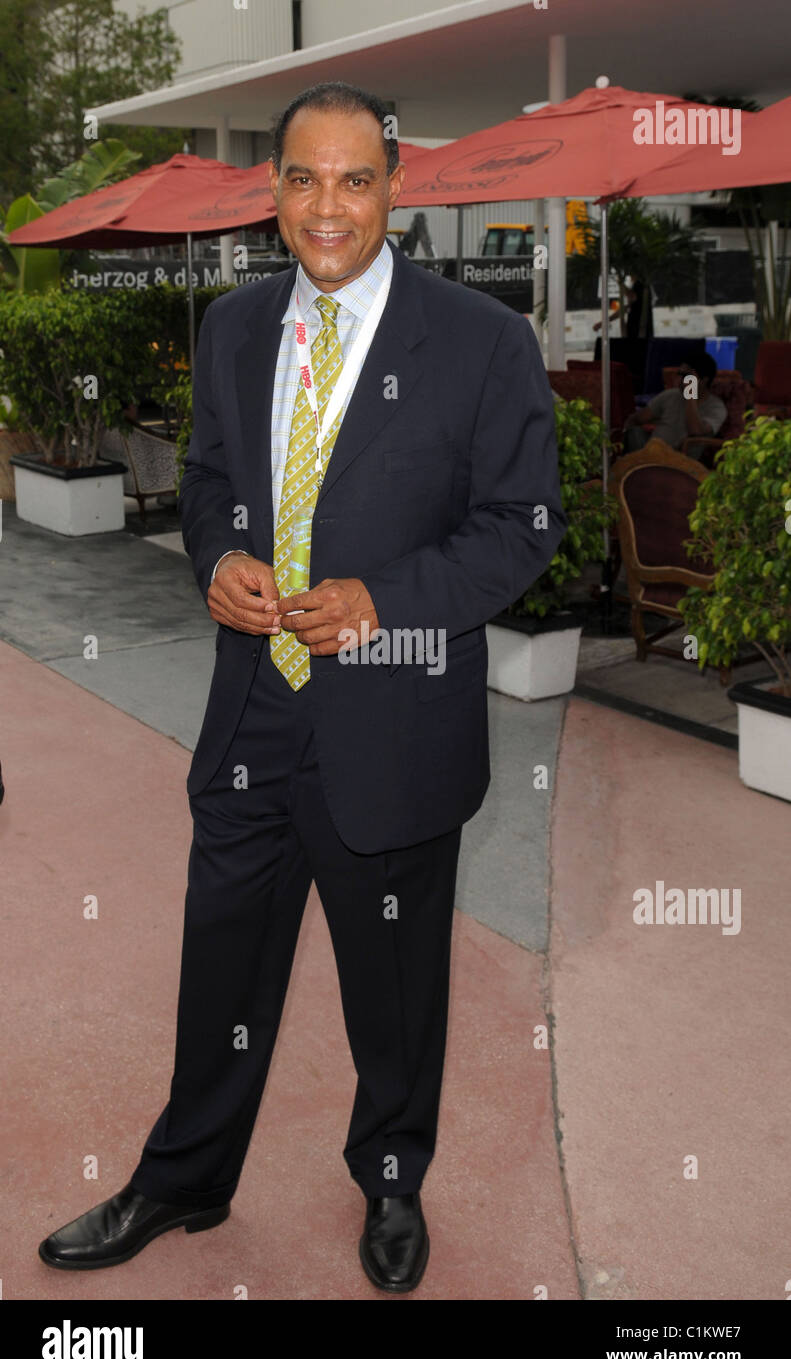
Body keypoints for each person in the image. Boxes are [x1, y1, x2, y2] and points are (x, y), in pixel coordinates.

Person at [39, 81, 566, 1294]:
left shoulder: (482, 341)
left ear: (396, 185)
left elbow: (521, 525)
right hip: (250, 713)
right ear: (271, 189)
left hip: (393, 716)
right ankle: (183, 1177)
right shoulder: (231, 326)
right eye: (300, 179)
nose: (326, 207)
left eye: (354, 179)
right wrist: (218, 553)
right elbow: (216, 481)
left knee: (392, 984)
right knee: (220, 965)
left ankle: (390, 1180)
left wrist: (388, 599)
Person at [623, 350, 727, 459]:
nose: (681, 381)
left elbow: (695, 431)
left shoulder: (716, 407)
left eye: (687, 376)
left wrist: (690, 395)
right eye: (680, 375)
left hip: (682, 459)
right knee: (634, 433)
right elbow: (638, 419)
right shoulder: (671, 395)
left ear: (704, 380)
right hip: (652, 451)